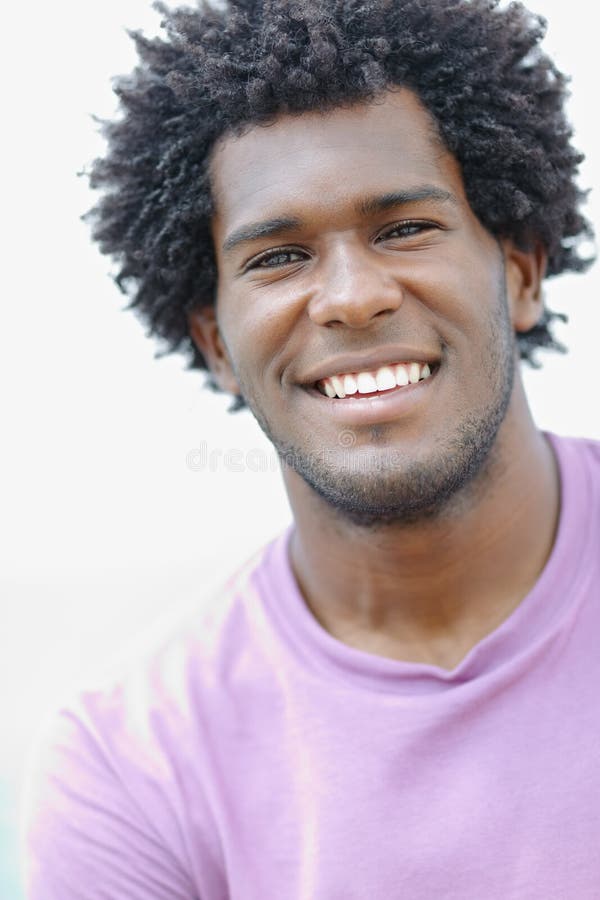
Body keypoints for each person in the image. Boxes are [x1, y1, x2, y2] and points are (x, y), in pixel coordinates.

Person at [22, 0, 600, 897]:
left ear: (519, 271)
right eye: (278, 257)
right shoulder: (131, 771)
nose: (349, 298)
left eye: (404, 229)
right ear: (217, 344)